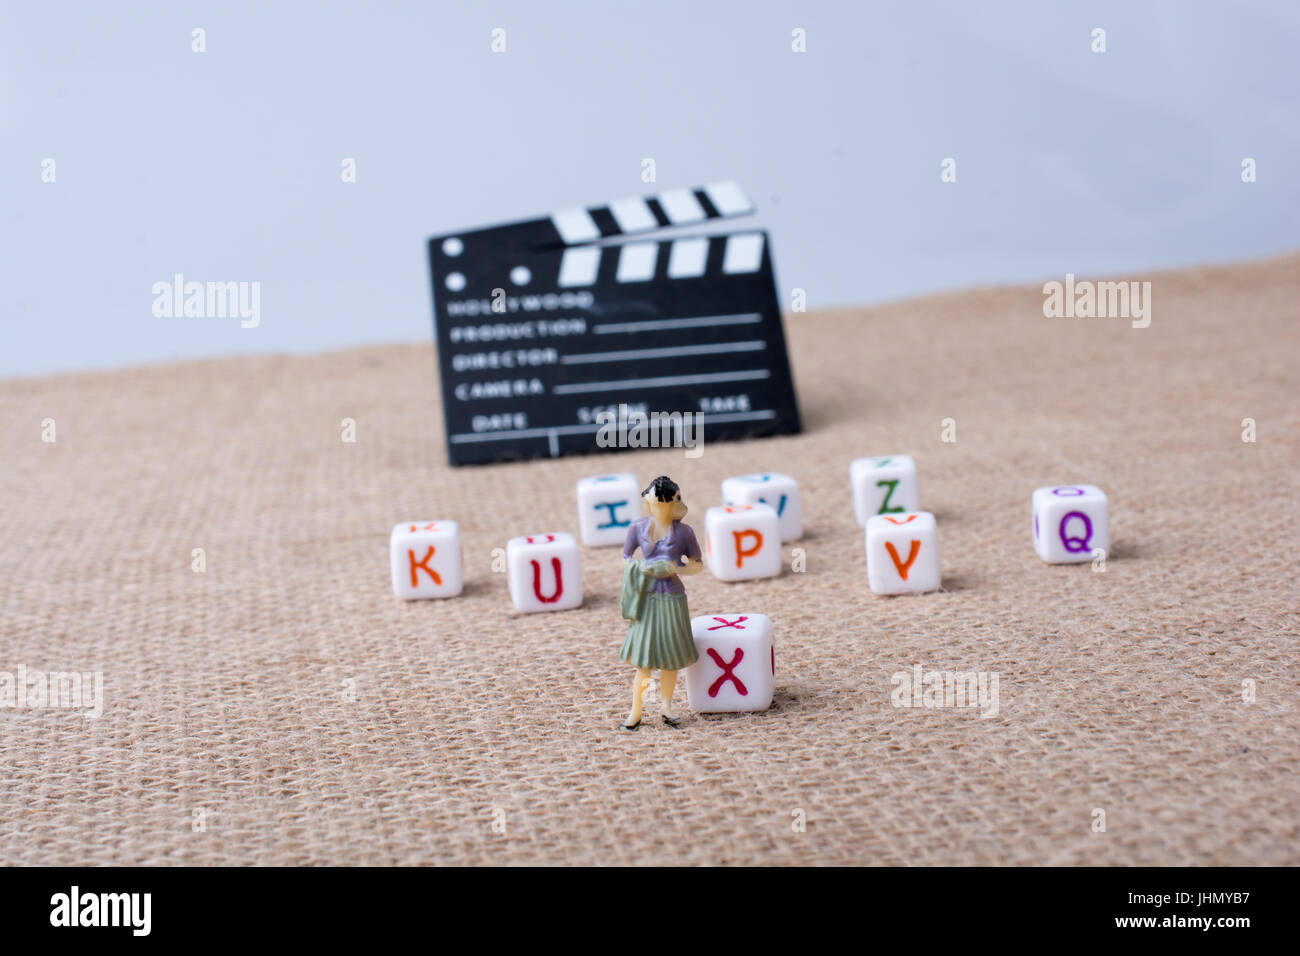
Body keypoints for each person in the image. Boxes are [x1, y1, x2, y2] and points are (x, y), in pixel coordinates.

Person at [618, 475, 704, 729]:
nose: (678, 503)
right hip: (646, 599)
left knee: (670, 658)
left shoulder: (685, 532)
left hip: (673, 599)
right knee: (644, 661)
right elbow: (625, 557)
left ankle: (666, 708)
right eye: (673, 499)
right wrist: (642, 567)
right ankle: (636, 711)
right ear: (657, 503)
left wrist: (675, 568)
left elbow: (697, 565)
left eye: (679, 497)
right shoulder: (637, 528)